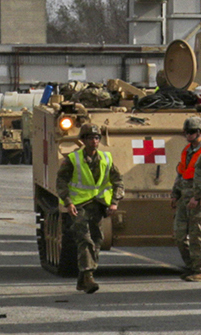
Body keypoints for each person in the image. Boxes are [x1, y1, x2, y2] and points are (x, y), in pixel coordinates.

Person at [59, 124, 115, 294]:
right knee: (85, 239)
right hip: (78, 205)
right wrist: (68, 202)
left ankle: (82, 277)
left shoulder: (106, 158)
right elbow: (61, 181)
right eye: (90, 138)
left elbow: (117, 180)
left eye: (97, 138)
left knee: (97, 239)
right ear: (83, 140)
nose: (94, 141)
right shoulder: (73, 159)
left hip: (98, 205)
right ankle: (89, 276)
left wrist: (114, 201)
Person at [172, 116, 201, 282]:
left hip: (200, 199)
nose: (188, 135)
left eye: (192, 132)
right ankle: (191, 266)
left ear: (200, 132)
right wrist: (175, 194)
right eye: (186, 132)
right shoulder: (187, 151)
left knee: (198, 236)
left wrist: (199, 196)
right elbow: (181, 173)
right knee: (179, 235)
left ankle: (200, 270)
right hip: (184, 197)